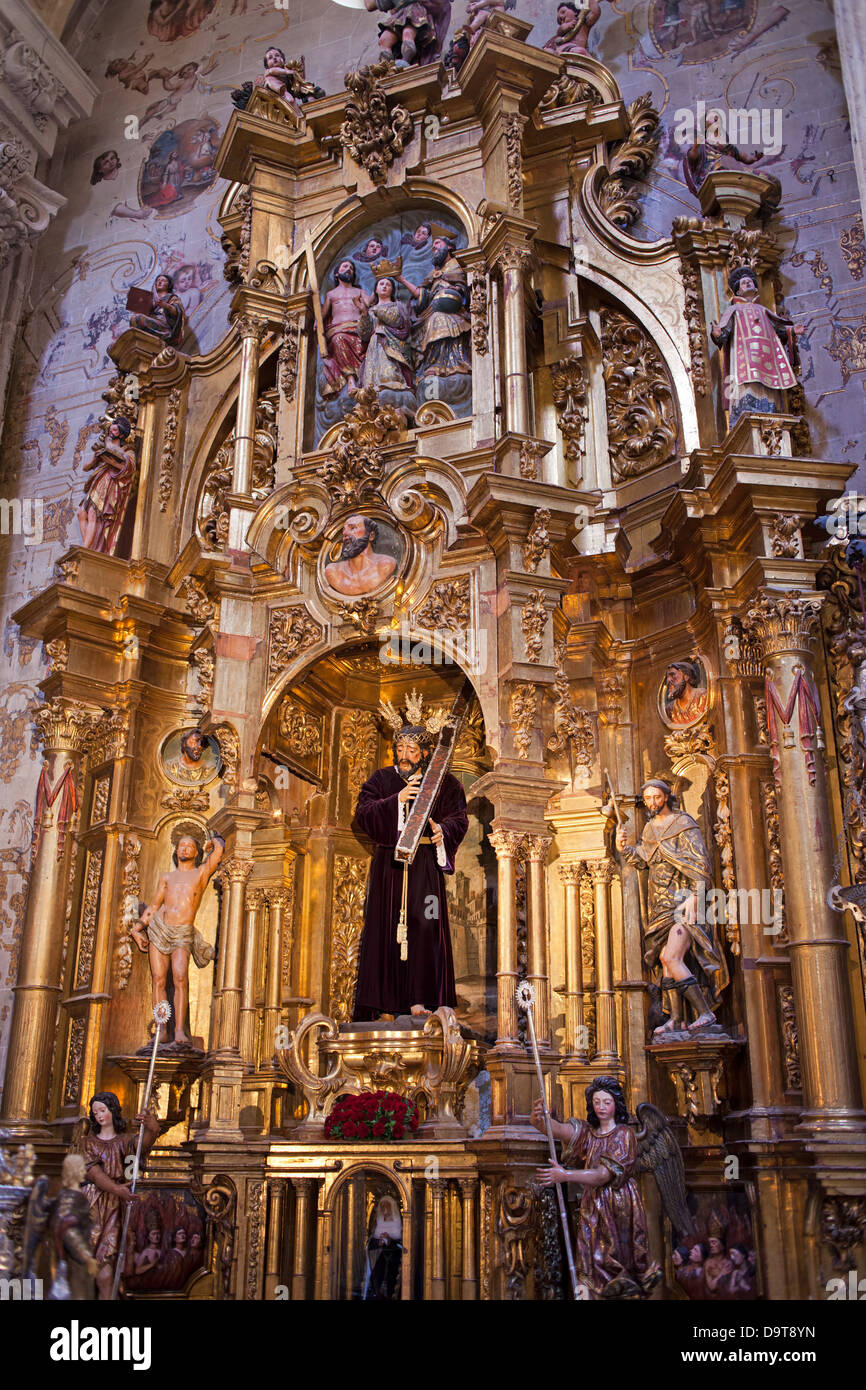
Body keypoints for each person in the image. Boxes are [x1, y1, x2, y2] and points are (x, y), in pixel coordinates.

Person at [352, 707, 468, 1019]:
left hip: (425, 867)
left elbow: (459, 818)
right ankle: (386, 1005)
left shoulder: (444, 784)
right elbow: (363, 814)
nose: (404, 755)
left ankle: (421, 1000)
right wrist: (398, 800)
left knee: (425, 927)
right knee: (386, 930)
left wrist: (441, 830)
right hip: (389, 868)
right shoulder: (381, 779)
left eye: (412, 750)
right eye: (400, 749)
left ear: (425, 752)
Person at [616, 779, 729, 1037]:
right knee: (666, 961)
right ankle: (676, 1019)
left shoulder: (683, 824)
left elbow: (700, 864)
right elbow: (643, 859)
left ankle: (705, 1013)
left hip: (684, 903)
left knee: (670, 957)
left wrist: (696, 897)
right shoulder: (649, 829)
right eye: (647, 799)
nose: (652, 803)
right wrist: (624, 848)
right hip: (660, 905)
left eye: (656, 797)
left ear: (666, 797)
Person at [532, 1077, 661, 1299]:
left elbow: (603, 1175)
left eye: (606, 1102)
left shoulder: (623, 1135)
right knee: (589, 1257)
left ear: (616, 1104)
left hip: (619, 1208)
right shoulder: (589, 1134)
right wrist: (541, 1120)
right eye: (597, 1102)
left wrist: (565, 1175)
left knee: (614, 1259)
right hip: (592, 1207)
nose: (601, 1107)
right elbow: (560, 1130)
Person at [130, 831, 224, 1048]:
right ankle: (162, 1029)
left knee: (181, 978)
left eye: (190, 846)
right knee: (159, 980)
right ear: (176, 850)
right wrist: (137, 929)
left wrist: (213, 843)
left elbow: (218, 852)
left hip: (182, 932)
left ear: (196, 852)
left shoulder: (200, 874)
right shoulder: (167, 877)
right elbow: (153, 907)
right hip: (159, 929)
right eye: (181, 845)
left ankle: (179, 1030)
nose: (184, 848)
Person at [81, 1092, 160, 1300]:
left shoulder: (124, 1141)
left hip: (115, 1207)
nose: (98, 1115)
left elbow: (141, 1146)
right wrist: (117, 1190)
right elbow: (94, 1174)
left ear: (112, 1111)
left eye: (103, 1110)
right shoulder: (88, 1143)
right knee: (87, 1264)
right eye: (95, 1112)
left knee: (107, 1266)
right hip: (93, 1204)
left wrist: (153, 1129)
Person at [710, 266, 800, 423]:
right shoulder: (734, 310)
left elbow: (778, 329)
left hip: (767, 359)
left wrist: (791, 331)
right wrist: (718, 333)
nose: (748, 283)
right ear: (738, 291)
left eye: (750, 282)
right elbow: (725, 331)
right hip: (744, 358)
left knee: (769, 391)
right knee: (748, 389)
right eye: (744, 283)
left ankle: (771, 417)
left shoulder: (764, 310)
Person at [397, 237, 471, 385]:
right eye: (432, 246)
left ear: (449, 247)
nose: (434, 248)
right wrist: (401, 280)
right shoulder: (433, 273)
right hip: (432, 310)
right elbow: (422, 295)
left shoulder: (456, 265)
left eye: (437, 243)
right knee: (423, 325)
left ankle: (450, 363)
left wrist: (457, 289)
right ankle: (432, 363)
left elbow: (466, 287)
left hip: (454, 310)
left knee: (440, 319)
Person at [78, 417, 137, 556]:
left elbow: (130, 468)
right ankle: (89, 547)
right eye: (112, 428)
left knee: (93, 513)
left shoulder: (127, 451)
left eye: (115, 429)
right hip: (98, 481)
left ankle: (86, 550)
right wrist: (95, 459)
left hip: (109, 483)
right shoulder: (105, 448)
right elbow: (86, 468)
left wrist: (111, 461)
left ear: (121, 434)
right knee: (82, 513)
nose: (111, 430)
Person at [47, 1154, 98, 1301]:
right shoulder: (73, 1198)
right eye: (81, 1168)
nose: (84, 1171)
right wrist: (85, 1256)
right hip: (74, 1261)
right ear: (75, 1170)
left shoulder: (66, 1195)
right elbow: (67, 1228)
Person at [320, 260, 370, 399]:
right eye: (345, 267)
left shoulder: (359, 291)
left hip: (358, 328)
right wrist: (317, 323)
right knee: (338, 339)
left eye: (351, 268)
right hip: (338, 329)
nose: (348, 269)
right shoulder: (331, 294)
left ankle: (365, 377)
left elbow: (370, 303)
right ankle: (350, 379)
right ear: (337, 273)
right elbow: (323, 314)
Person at [358, 276, 415, 397]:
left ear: (392, 290)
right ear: (376, 290)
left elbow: (396, 321)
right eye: (381, 284)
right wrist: (364, 313)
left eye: (388, 285)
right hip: (374, 345)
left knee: (390, 374)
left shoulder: (397, 306)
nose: (384, 286)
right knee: (371, 378)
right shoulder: (370, 311)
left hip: (392, 344)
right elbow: (364, 334)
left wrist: (376, 310)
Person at [324, 515, 397, 597]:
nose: (345, 533)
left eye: (352, 528)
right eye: (344, 530)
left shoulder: (385, 565)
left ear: (371, 535)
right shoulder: (334, 572)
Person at [364, 0, 452, 67]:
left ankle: (405, 61)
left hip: (413, 9)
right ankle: (386, 68)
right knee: (384, 40)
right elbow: (372, 5)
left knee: (407, 34)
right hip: (399, 15)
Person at [362, 1195, 403, 1299]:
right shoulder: (377, 1224)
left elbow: (403, 1246)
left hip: (394, 1263)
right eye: (382, 1205)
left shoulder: (399, 1223)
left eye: (387, 1206)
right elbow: (369, 1243)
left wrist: (389, 1242)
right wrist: (378, 1243)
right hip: (378, 1262)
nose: (384, 1208)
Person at [129, 272, 186, 345]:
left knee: (137, 319)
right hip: (151, 321)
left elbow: (177, 312)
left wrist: (164, 305)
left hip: (163, 325)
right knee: (134, 320)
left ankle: (163, 335)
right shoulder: (151, 299)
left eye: (163, 280)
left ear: (168, 285)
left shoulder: (172, 297)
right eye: (158, 280)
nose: (159, 282)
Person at [662, 660, 708, 725]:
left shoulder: (703, 697)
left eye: (672, 675)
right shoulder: (670, 709)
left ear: (686, 677)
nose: (668, 680)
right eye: (667, 677)